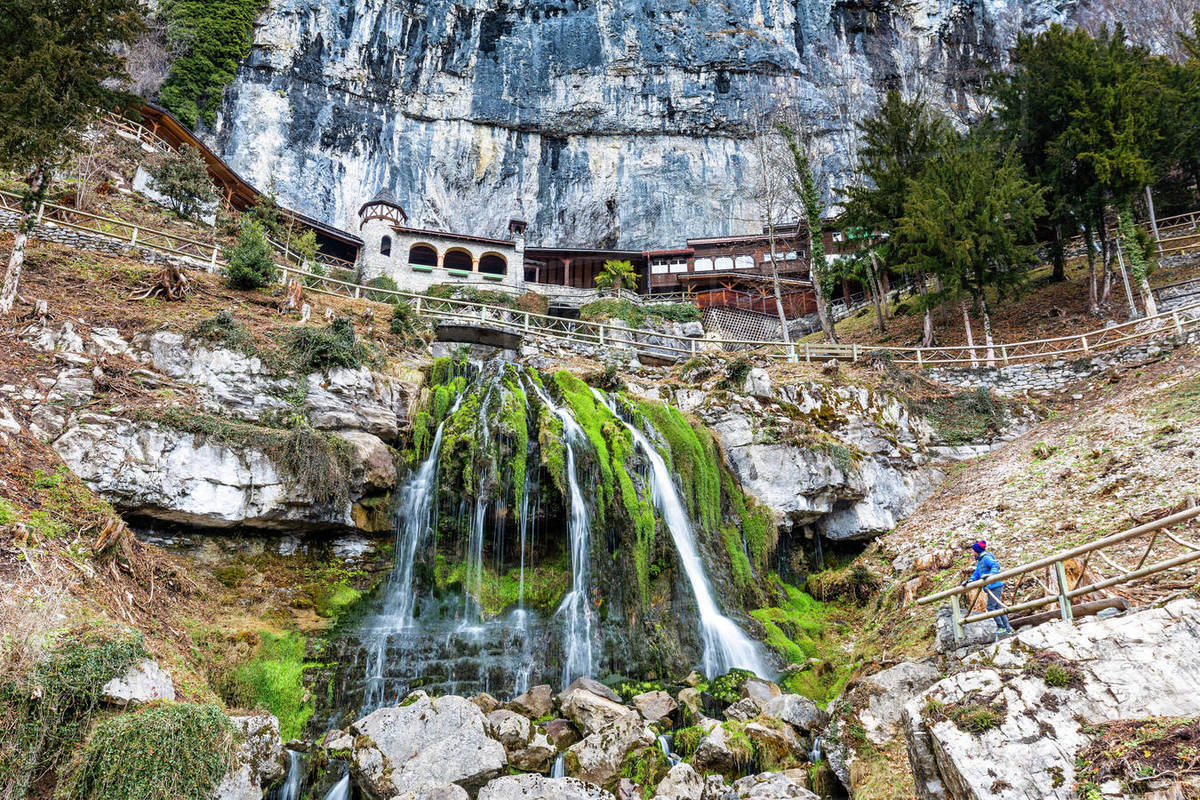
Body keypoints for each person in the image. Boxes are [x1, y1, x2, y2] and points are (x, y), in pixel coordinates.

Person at [963, 540, 1013, 635]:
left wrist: (991, 574)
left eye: (973, 551)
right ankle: (1008, 629)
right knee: (998, 608)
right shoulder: (980, 561)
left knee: (990, 608)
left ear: (977, 551)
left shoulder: (986, 558)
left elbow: (995, 565)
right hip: (990, 587)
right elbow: (977, 573)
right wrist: (970, 580)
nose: (972, 553)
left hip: (995, 585)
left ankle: (1001, 627)